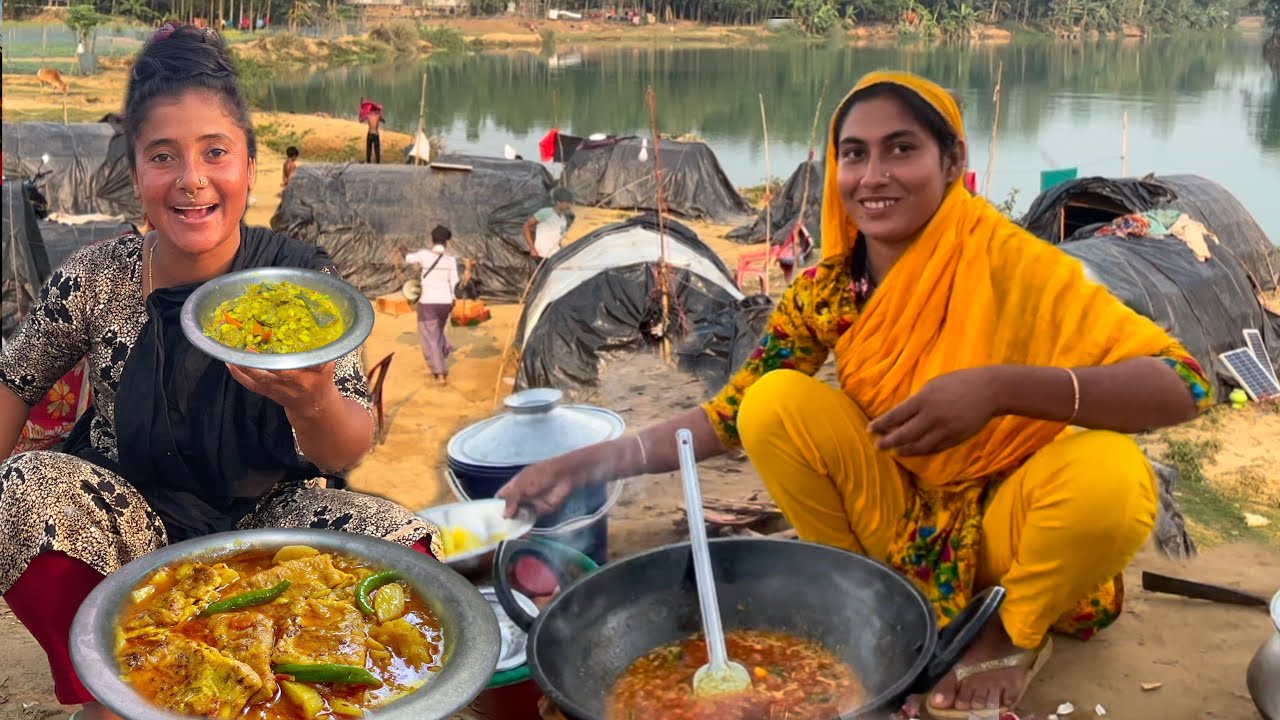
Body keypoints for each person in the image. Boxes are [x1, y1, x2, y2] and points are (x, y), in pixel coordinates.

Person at [497, 71, 1213, 718]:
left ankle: (1006, 634)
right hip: (899, 525)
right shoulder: (830, 289)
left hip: (1013, 532)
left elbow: (1181, 384)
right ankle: (861, 599)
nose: (874, 175)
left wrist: (998, 389)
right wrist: (585, 463)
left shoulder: (1017, 266)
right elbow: (728, 418)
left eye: (902, 149)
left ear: (953, 162)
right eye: (855, 154)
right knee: (775, 401)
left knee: (1113, 478)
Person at [0, 24, 441, 720]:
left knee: (411, 551)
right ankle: (108, 694)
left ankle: (291, 695)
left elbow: (346, 445)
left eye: (215, 152)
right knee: (22, 489)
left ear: (249, 164)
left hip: (265, 515)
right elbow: (15, 383)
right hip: (124, 514)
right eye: (162, 156)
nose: (192, 180)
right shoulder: (95, 278)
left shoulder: (302, 285)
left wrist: (315, 397)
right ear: (135, 170)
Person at [402, 225, 461, 384]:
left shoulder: (423, 255)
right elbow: (455, 283)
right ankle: (443, 354)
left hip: (428, 303)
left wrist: (404, 250)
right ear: (446, 243)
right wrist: (453, 299)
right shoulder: (451, 261)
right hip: (446, 303)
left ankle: (439, 373)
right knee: (439, 332)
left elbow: (407, 258)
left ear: (432, 240)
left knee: (430, 338)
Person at [522, 187, 574, 259]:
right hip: (542, 255)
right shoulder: (545, 213)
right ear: (558, 202)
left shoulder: (563, 219)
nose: (569, 205)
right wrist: (532, 248)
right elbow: (526, 226)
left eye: (570, 203)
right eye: (567, 202)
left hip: (555, 257)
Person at [361, 96, 383, 164]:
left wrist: (362, 112)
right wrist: (380, 118)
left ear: (370, 110)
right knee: (377, 149)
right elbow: (383, 120)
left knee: (369, 149)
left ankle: (368, 162)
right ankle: (377, 162)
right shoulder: (378, 115)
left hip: (370, 133)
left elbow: (360, 120)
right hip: (376, 134)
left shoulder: (368, 115)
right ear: (375, 110)